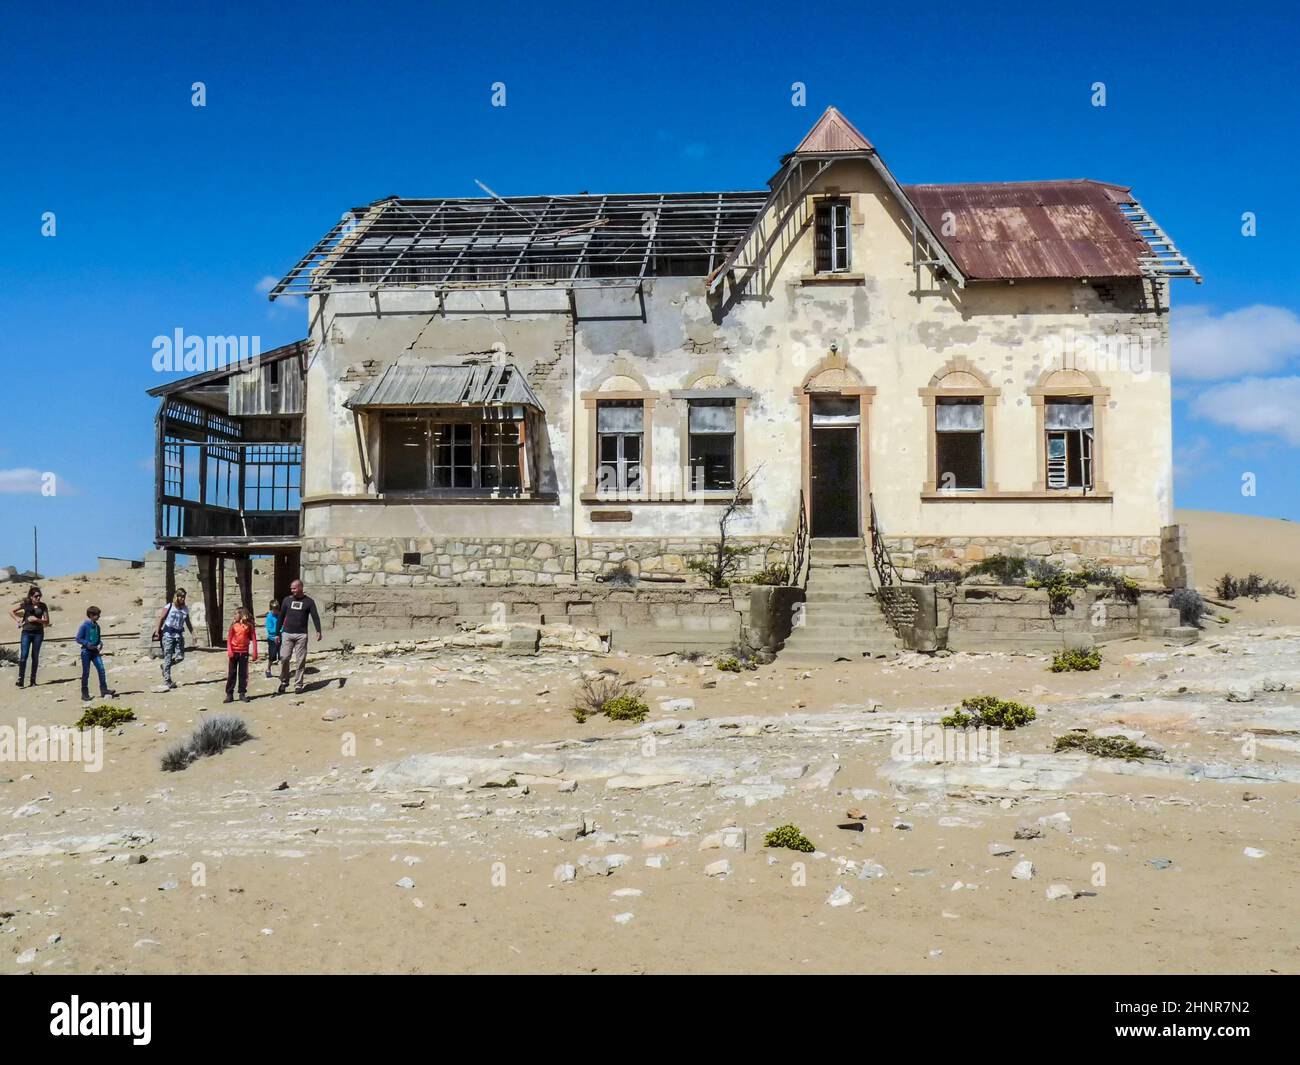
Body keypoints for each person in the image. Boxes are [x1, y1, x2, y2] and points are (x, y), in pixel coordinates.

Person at [276, 579, 321, 695]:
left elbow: (315, 616)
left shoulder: (309, 602)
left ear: (300, 588)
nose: (292, 590)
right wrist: (277, 633)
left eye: (294, 588)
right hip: (287, 633)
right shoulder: (287, 600)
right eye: (291, 588)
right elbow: (281, 616)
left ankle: (298, 685)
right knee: (284, 657)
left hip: (301, 635)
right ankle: (284, 681)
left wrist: (318, 631)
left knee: (300, 660)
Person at [152, 589, 195, 689]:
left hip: (178, 635)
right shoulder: (169, 606)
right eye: (181, 596)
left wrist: (193, 634)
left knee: (180, 657)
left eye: (184, 596)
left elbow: (188, 622)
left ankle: (165, 666)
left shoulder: (185, 609)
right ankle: (167, 680)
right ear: (177, 596)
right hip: (168, 634)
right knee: (168, 656)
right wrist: (158, 631)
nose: (183, 598)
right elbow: (161, 619)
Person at [10, 585, 50, 688]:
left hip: (38, 633)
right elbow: (11, 611)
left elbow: (47, 621)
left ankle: (33, 681)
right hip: (26, 632)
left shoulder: (43, 606)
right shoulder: (26, 604)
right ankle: (21, 680)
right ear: (31, 597)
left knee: (35, 656)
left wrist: (37, 620)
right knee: (24, 656)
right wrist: (18, 620)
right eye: (36, 596)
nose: (38, 598)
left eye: (39, 596)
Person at [75, 605, 118, 702]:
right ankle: (85, 693)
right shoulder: (84, 626)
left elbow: (98, 639)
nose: (98, 617)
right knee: (86, 672)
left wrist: (100, 643)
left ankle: (104, 689)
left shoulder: (97, 627)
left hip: (95, 652)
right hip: (86, 651)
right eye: (97, 615)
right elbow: (78, 638)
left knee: (101, 669)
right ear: (91, 615)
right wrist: (87, 644)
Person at [224, 607, 258, 703]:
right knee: (232, 673)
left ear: (242, 614)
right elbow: (229, 638)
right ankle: (229, 694)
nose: (234, 616)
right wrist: (229, 651)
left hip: (244, 652)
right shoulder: (233, 626)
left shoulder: (249, 626)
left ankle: (242, 693)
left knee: (243, 673)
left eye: (236, 614)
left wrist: (254, 652)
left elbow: (254, 639)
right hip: (234, 652)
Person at [264, 598, 281, 679]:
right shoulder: (269, 616)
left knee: (282, 655)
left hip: (281, 638)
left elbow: (283, 624)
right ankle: (268, 669)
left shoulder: (280, 615)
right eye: (274, 610)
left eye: (277, 610)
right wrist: (277, 631)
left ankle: (283, 671)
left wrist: (281, 630)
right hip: (272, 639)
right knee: (272, 655)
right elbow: (269, 629)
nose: (276, 611)